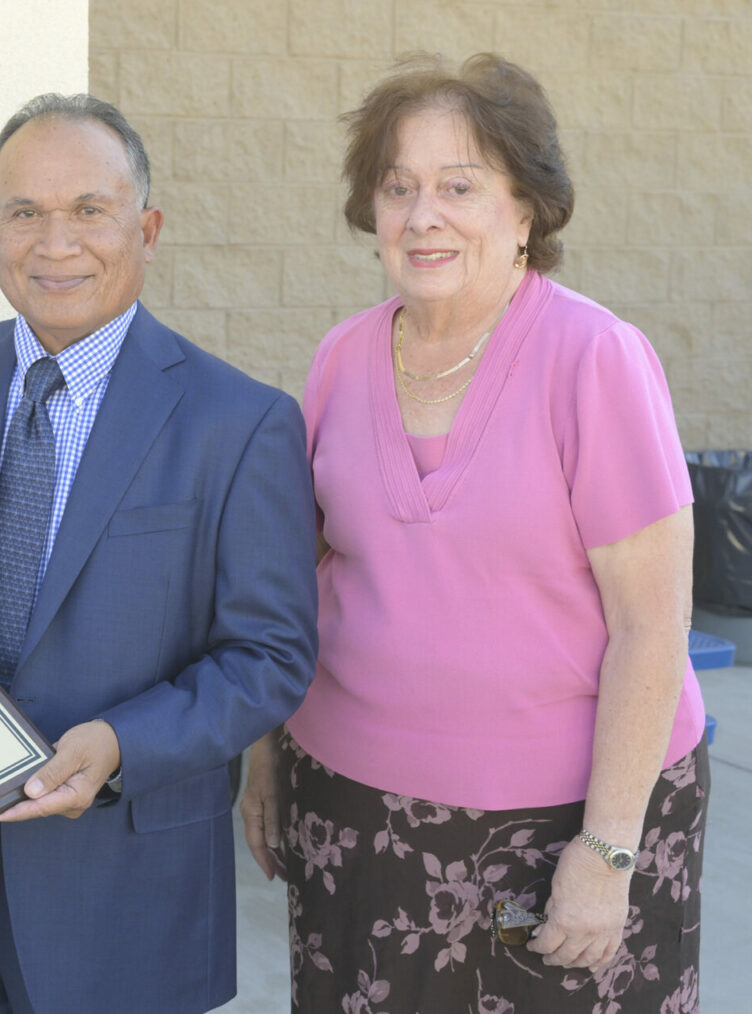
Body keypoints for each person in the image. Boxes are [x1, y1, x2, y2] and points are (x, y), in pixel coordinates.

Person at [0, 93, 318, 1014]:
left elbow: (269, 656)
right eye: (28, 213)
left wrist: (122, 745)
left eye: (89, 209)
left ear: (146, 228)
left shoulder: (239, 423)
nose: (56, 242)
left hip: (125, 896)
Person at [240, 54, 707, 1014]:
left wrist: (607, 850)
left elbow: (651, 628)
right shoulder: (342, 356)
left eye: (460, 186)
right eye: (398, 186)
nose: (423, 216)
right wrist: (264, 763)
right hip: (352, 812)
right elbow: (301, 579)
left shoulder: (595, 360)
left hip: (558, 829)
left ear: (526, 210)